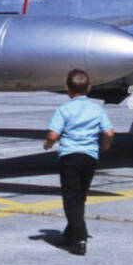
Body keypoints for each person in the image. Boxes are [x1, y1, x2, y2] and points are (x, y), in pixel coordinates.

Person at [42, 69, 114, 255]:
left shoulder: (64, 110)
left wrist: (48, 144)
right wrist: (104, 147)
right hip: (90, 157)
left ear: (66, 88)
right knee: (80, 196)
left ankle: (79, 239)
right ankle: (70, 232)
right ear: (89, 88)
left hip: (70, 157)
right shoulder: (97, 109)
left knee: (70, 199)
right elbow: (108, 133)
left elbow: (53, 135)